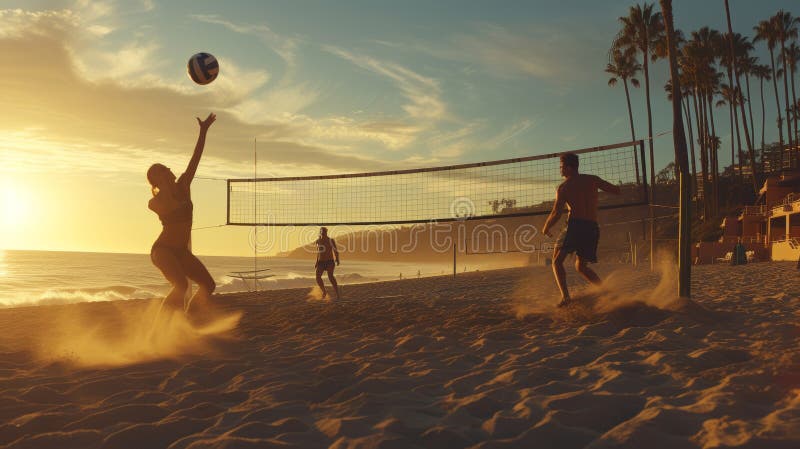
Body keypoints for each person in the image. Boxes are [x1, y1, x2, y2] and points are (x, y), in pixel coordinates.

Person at [147, 113, 217, 318]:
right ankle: (159, 329)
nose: (169, 168)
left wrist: (203, 131)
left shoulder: (184, 186)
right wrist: (164, 187)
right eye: (163, 169)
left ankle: (186, 320)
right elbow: (167, 207)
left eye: (166, 167)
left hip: (180, 252)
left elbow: (196, 158)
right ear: (156, 180)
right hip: (163, 251)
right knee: (181, 285)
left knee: (208, 285)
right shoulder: (154, 202)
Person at [541, 152, 621, 307]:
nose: (560, 170)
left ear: (569, 168)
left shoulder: (563, 187)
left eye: (562, 167)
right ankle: (606, 292)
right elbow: (615, 190)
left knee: (557, 262)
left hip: (575, 226)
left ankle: (565, 298)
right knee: (581, 266)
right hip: (591, 227)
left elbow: (556, 213)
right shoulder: (592, 179)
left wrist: (546, 227)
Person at [315, 227, 341, 299]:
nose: (323, 233)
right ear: (320, 232)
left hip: (329, 261)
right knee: (317, 277)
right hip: (321, 262)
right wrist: (317, 262)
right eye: (322, 231)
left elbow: (335, 250)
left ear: (326, 232)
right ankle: (324, 291)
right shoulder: (318, 241)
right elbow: (318, 252)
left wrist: (337, 259)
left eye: (324, 231)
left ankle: (337, 293)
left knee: (330, 277)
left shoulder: (330, 240)